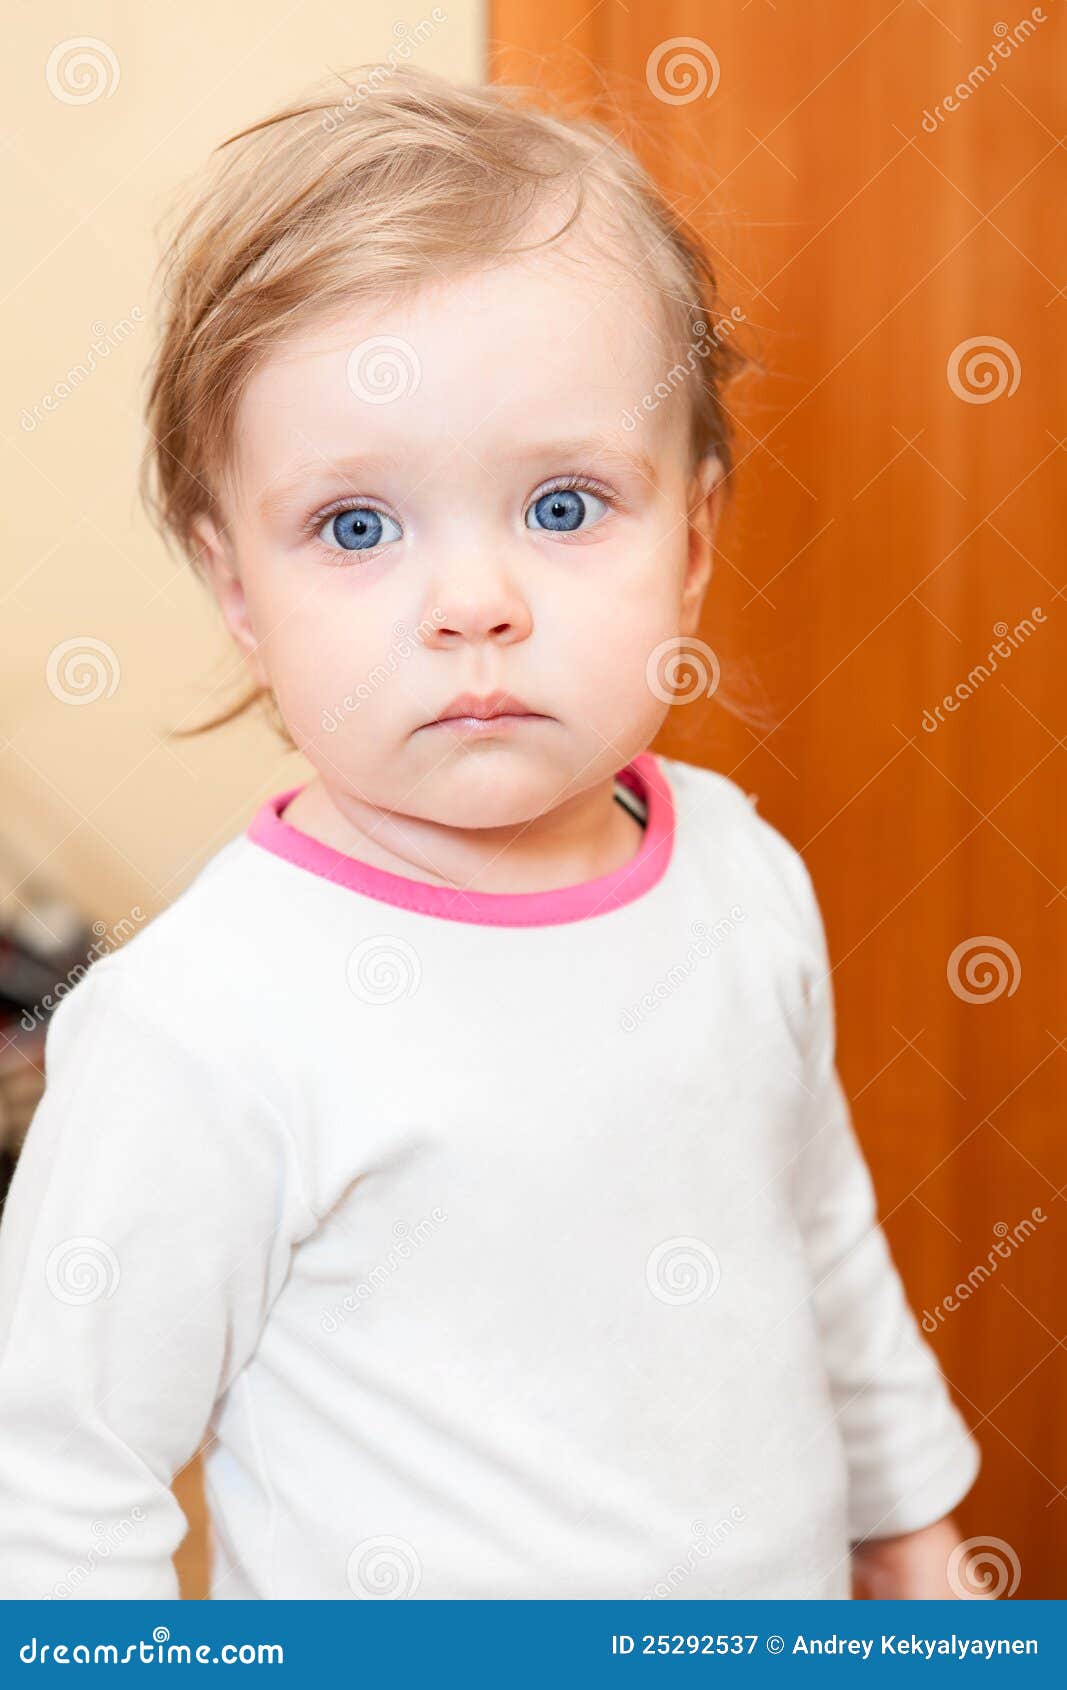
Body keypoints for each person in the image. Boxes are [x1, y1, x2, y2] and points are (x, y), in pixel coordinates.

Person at [0, 63, 980, 1600]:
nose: (475, 603)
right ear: (236, 584)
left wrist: (911, 1530)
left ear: (696, 542)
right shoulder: (202, 1025)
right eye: (359, 526)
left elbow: (819, 1231)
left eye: (568, 506)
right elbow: (56, 1493)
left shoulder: (741, 875)